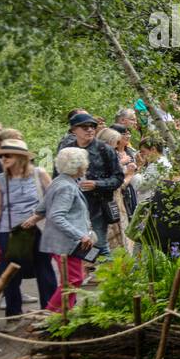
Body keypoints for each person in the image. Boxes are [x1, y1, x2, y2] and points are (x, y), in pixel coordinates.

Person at [0, 138, 56, 316]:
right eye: (1, 156)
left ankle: (49, 312)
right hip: (11, 232)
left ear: (20, 157)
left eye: (7, 155)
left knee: (44, 269)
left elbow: (54, 199)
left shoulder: (39, 173)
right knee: (11, 274)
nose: (3, 159)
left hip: (38, 228)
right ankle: (13, 315)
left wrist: (37, 216)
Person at [59, 112, 124, 262]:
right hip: (73, 206)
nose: (89, 130)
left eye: (92, 126)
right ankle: (88, 275)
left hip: (98, 206)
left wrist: (97, 184)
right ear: (74, 130)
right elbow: (58, 177)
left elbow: (118, 178)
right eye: (84, 127)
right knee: (77, 245)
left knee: (99, 243)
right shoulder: (66, 151)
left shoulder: (105, 150)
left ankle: (108, 277)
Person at [41, 147, 96, 314]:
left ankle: (66, 315)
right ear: (78, 167)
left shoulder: (60, 181)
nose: (86, 167)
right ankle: (50, 315)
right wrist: (81, 235)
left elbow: (43, 207)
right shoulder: (66, 186)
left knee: (73, 279)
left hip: (61, 241)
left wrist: (33, 218)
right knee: (73, 280)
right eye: (84, 164)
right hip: (65, 243)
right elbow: (56, 216)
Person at [95, 127, 134, 255]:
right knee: (112, 239)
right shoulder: (105, 159)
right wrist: (129, 175)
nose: (117, 147)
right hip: (111, 203)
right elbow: (115, 185)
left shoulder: (97, 157)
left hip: (111, 202)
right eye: (116, 143)